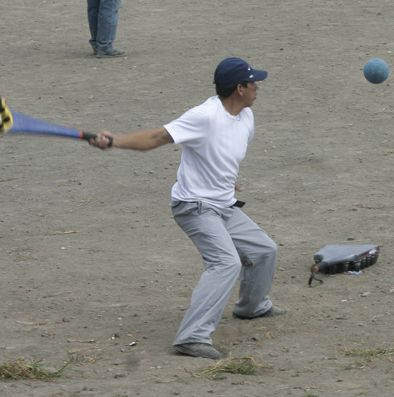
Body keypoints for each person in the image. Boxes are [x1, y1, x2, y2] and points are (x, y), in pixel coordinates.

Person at [88, 58, 284, 360]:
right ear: (240, 88)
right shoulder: (204, 116)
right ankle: (192, 337)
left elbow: (220, 154)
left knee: (264, 250)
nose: (258, 88)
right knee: (226, 263)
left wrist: (227, 182)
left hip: (222, 204)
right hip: (194, 207)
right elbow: (157, 137)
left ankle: (251, 306)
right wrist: (115, 141)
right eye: (253, 83)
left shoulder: (246, 118)